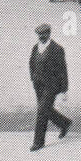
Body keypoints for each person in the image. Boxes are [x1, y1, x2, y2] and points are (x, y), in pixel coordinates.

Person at [29, 23, 71, 151]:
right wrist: (33, 77)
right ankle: (64, 123)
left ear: (49, 34)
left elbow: (63, 70)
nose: (42, 37)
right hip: (38, 85)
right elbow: (31, 63)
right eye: (39, 35)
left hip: (51, 86)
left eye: (44, 35)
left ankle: (38, 142)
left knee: (42, 111)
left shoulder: (57, 49)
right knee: (46, 110)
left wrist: (64, 90)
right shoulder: (35, 48)